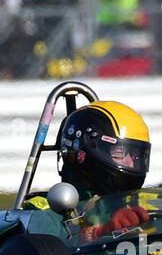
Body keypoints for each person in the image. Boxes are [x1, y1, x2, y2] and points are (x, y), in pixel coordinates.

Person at [25, 100, 154, 241]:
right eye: (120, 154)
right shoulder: (44, 213)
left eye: (135, 155)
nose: (130, 163)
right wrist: (99, 233)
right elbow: (48, 254)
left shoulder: (142, 203)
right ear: (83, 154)